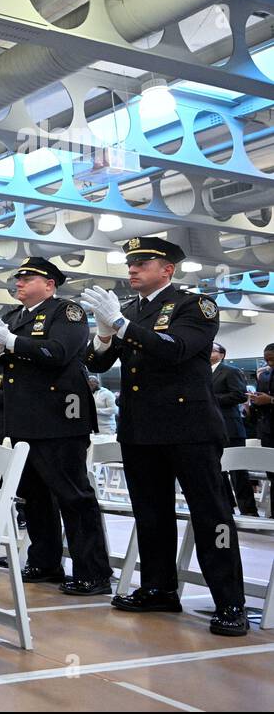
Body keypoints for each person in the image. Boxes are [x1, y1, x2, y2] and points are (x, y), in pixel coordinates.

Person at [83, 238, 248, 635]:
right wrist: (105, 333)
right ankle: (158, 588)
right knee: (151, 514)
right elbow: (99, 362)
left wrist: (122, 325)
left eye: (142, 262)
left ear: (167, 269)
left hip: (187, 426)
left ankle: (230, 601)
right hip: (141, 427)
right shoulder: (131, 311)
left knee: (211, 516)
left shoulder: (195, 306)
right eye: (130, 263)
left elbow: (175, 349)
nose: (133, 268)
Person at [0, 256, 112, 596]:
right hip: (23, 420)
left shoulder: (66, 312)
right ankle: (45, 561)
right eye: (18, 278)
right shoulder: (12, 317)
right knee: (33, 497)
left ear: (49, 284)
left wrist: (11, 343)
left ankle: (93, 571)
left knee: (73, 495)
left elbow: (60, 352)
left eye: (27, 278)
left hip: (59, 419)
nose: (19, 283)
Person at [211, 343, 258, 516]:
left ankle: (249, 511)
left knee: (238, 472)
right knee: (217, 471)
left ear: (221, 354)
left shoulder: (230, 371)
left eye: (211, 349)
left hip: (230, 427)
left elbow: (239, 395)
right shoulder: (202, 372)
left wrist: (211, 399)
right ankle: (226, 508)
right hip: (211, 428)